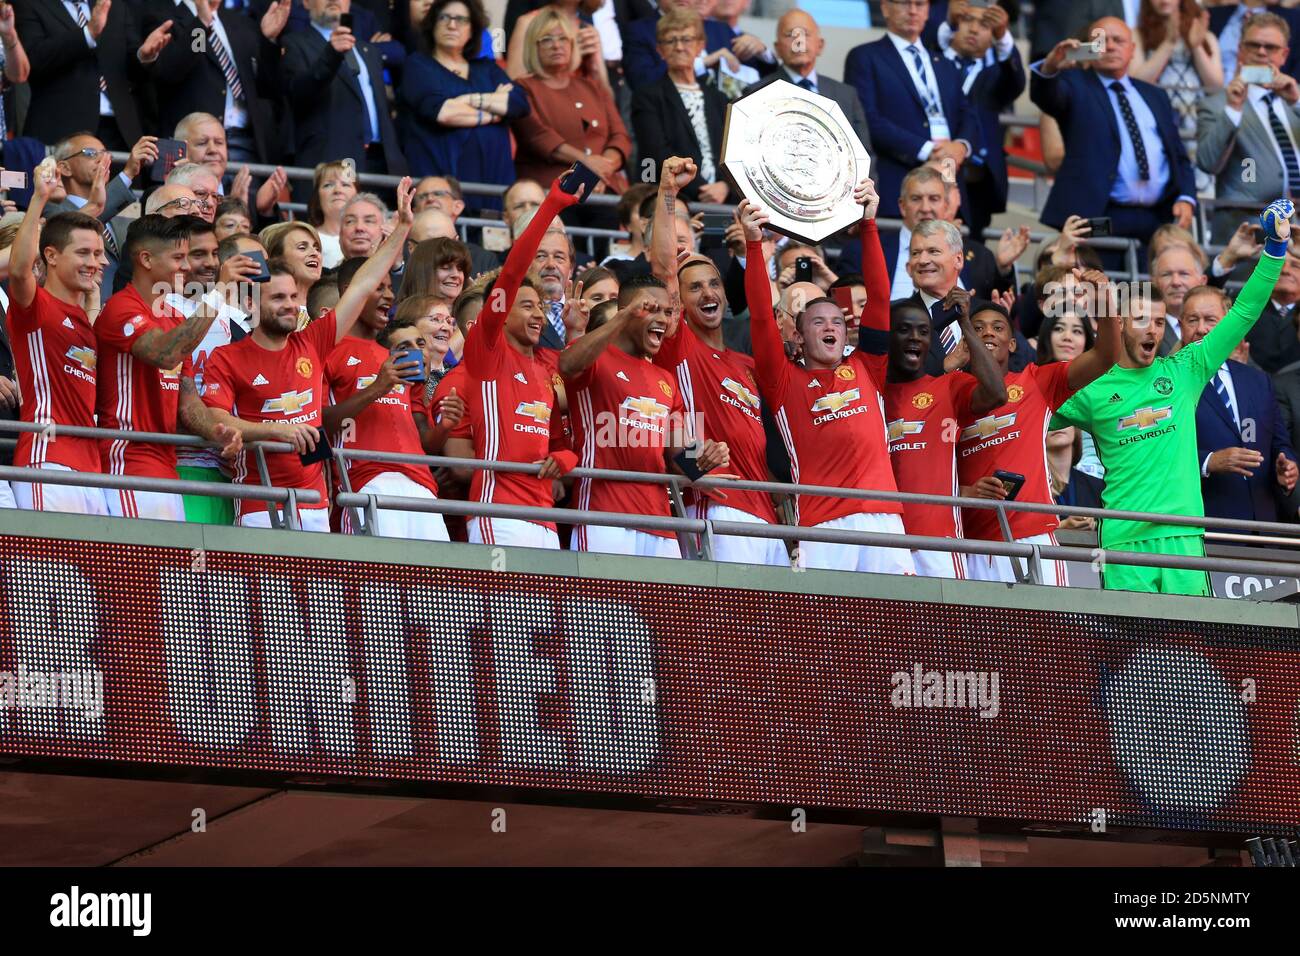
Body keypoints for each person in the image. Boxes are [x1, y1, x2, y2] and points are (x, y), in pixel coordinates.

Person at [1051, 199, 1293, 594]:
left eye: (1161, 322)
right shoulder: (1091, 389)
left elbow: (1245, 310)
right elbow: (1029, 420)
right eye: (1143, 320)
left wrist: (1275, 249)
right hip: (1123, 544)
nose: (1153, 330)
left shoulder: (1186, 369)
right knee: (1132, 654)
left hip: (1184, 541)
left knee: (1190, 651)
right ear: (1122, 323)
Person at [202, 177, 416, 531]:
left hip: (316, 505)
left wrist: (403, 228)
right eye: (277, 299)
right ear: (252, 303)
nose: (289, 305)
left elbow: (363, 284)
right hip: (259, 503)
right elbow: (217, 422)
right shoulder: (226, 358)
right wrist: (278, 432)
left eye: (291, 297)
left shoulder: (312, 341)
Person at [739, 193, 915, 575]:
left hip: (884, 517)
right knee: (828, 630)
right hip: (821, 523)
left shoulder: (868, 367)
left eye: (837, 320)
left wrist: (869, 224)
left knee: (901, 627)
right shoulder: (783, 381)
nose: (831, 326)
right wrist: (754, 245)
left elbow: (881, 298)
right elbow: (760, 320)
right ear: (799, 338)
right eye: (817, 322)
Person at [648, 156, 784, 564]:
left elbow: (763, 312)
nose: (707, 294)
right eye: (693, 288)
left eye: (713, 284)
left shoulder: (746, 363)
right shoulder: (679, 345)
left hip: (765, 518)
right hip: (716, 510)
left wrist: (754, 242)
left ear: (725, 294)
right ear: (679, 303)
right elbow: (661, 269)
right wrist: (668, 193)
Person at [856, 239, 1009, 576]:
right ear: (887, 337)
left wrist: (967, 323)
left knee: (947, 630)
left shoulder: (947, 386)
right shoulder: (865, 390)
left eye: (924, 331)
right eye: (904, 330)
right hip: (882, 537)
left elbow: (997, 394)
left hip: (941, 541)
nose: (915, 338)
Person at [956, 285, 1120, 585]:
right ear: (966, 340)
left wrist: (1104, 301)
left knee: (1049, 631)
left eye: (998, 327)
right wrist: (966, 492)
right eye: (977, 328)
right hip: (973, 543)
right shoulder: (950, 393)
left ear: (1013, 343)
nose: (988, 333)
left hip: (1035, 536)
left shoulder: (1036, 380)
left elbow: (1106, 356)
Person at [456, 175, 587, 548]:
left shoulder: (546, 370)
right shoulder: (488, 354)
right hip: (498, 510)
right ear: (501, 308)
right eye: (527, 306)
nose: (538, 316)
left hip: (544, 515)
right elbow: (512, 273)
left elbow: (571, 440)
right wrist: (551, 207)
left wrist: (564, 458)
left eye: (542, 308)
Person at [94, 215, 242, 520]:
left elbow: (186, 402)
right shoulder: (121, 307)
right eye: (178, 258)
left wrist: (218, 433)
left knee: (169, 568)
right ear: (146, 259)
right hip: (128, 463)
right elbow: (166, 354)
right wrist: (219, 292)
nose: (186, 267)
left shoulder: (174, 317)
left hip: (165, 467)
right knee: (140, 566)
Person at [1032, 18, 1198, 265]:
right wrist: (1050, 68)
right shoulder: (1074, 83)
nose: (1109, 46)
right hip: (1101, 215)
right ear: (1088, 48)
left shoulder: (1155, 95)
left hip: (1156, 217)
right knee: (1100, 292)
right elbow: (1048, 96)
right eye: (1100, 41)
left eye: (1118, 40)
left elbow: (1178, 155)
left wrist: (1186, 197)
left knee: (1148, 296)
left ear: (1132, 49)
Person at [324, 256, 452, 540]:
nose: (390, 295)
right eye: (378, 287)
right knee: (376, 583)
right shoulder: (326, 350)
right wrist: (376, 389)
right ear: (350, 291)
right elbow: (318, 430)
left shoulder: (403, 357)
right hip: (365, 484)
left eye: (389, 287)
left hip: (422, 487)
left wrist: (445, 426)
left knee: (435, 584)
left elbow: (422, 439)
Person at [4, 171, 108, 513]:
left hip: (93, 468)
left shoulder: (85, 319)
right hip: (46, 459)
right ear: (50, 256)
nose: (94, 263)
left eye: (97, 254)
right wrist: (39, 198)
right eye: (83, 253)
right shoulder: (35, 307)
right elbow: (19, 271)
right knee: (46, 565)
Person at [843, 0, 977, 221]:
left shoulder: (945, 64)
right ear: (885, 8)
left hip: (949, 185)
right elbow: (866, 118)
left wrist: (961, 146)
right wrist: (928, 150)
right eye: (905, 3)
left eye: (920, 4)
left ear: (928, 12)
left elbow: (968, 114)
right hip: (898, 183)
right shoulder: (865, 57)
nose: (913, 10)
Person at [1180, 285, 1299, 529]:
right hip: (1203, 530)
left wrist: (1286, 466)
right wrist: (1209, 461)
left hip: (1263, 532)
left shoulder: (1258, 380)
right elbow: (1155, 451)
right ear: (1180, 324)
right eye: (1192, 320)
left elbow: (1279, 442)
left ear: (1229, 324)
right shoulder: (1166, 382)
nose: (1201, 328)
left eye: (1211, 319)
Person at [398, 0, 529, 197]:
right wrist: (494, 112)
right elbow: (442, 112)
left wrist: (468, 100)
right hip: (443, 189)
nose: (452, 25)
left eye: (461, 19)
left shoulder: (486, 68)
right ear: (432, 24)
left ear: (472, 29)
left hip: (495, 185)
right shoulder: (418, 65)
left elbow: (518, 103)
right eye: (444, 17)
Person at [140, 0, 289, 164]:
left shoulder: (242, 23)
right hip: (193, 147)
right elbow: (171, 72)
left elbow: (268, 89)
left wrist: (267, 41)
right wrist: (201, 24)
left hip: (245, 144)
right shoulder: (164, 17)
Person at [1197, 13, 1300, 244]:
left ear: (1284, 55)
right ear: (1241, 50)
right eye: (1254, 45)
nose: (1262, 52)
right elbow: (1207, 162)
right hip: (1247, 229)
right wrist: (1233, 109)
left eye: (1271, 47)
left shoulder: (1296, 97)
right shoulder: (1216, 104)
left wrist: (1297, 102)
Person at [282, 0, 409, 177]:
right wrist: (331, 55)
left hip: (383, 164)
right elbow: (297, 93)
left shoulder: (369, 51)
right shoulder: (294, 44)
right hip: (334, 165)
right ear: (306, 3)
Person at [512, 7, 632, 195]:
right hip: (551, 190)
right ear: (534, 47)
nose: (556, 45)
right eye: (547, 39)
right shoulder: (523, 87)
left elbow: (620, 136)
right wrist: (588, 165)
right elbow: (538, 138)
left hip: (603, 186)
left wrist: (602, 168)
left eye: (563, 39)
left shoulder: (591, 86)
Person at [15, 0, 165, 148]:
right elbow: (33, 61)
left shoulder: (112, 5)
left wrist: (144, 56)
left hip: (119, 130)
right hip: (63, 129)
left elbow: (131, 69)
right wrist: (87, 34)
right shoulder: (30, 4)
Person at [939, 1, 1025, 240]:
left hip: (975, 183)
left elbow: (1015, 80)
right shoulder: (928, 60)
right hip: (931, 170)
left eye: (985, 24)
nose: (974, 29)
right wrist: (947, 22)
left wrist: (1003, 36)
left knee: (969, 252)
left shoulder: (997, 74)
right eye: (967, 20)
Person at [631, 11, 732, 205]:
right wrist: (701, 188)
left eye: (686, 39)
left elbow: (734, 153)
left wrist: (725, 186)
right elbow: (655, 152)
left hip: (723, 203)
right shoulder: (646, 97)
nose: (679, 47)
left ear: (700, 46)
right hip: (676, 201)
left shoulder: (719, 99)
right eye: (670, 41)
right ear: (659, 50)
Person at [882, 164, 1022, 302]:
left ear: (946, 205)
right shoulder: (872, 250)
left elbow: (1004, 312)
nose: (925, 208)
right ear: (902, 206)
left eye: (934, 199)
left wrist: (1002, 270)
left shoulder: (979, 256)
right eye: (916, 199)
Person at [745, 9, 872, 158]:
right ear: (777, 48)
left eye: (805, 34)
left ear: (820, 45)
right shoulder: (757, 93)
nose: (798, 41)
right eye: (790, 35)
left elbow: (863, 154)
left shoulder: (846, 95)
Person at [1130, 0, 1222, 198]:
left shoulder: (1206, 36)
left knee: (1201, 187)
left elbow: (1215, 85)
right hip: (1158, 115)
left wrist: (1196, 46)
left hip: (1196, 117)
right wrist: (1169, 43)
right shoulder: (1138, 34)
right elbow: (1136, 81)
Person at [411, 174, 500, 273]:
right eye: (422, 196)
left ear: (457, 207)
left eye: (438, 193)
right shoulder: (400, 254)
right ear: (414, 211)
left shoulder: (483, 259)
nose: (430, 199)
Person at [1150, 243, 1207, 355]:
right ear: (1154, 283)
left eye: (1184, 274)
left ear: (1202, 281)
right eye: (1166, 275)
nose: (1176, 282)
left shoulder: (1220, 324)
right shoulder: (1144, 327)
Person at [306, 160, 357, 269]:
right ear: (317, 197)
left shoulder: (369, 237)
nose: (338, 190)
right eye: (328, 185)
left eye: (345, 184)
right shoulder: (307, 238)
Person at [260, 221, 324, 305]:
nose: (315, 253)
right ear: (277, 258)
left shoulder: (333, 300)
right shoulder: (258, 303)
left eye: (317, 249)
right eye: (302, 247)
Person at [396, 236, 470, 307]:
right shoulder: (402, 317)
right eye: (445, 267)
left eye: (460, 269)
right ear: (422, 273)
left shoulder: (474, 314)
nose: (456, 275)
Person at [339, 193, 388, 261]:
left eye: (369, 221)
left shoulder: (401, 269)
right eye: (350, 221)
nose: (359, 227)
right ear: (340, 234)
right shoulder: (322, 271)